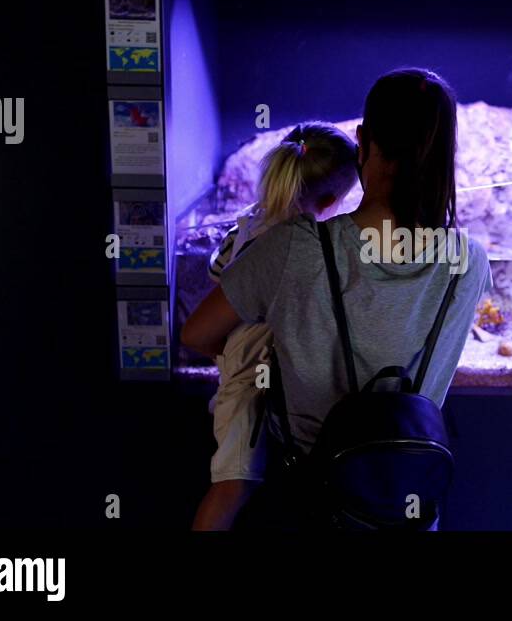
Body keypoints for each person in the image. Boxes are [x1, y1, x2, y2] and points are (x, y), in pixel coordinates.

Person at [182, 67, 492, 528]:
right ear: (445, 156)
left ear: (364, 143)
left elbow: (197, 333)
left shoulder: (293, 247)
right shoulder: (470, 261)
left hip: (315, 499)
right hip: (407, 499)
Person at [190, 122, 358, 530]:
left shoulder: (248, 222)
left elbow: (217, 276)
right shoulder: (297, 242)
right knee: (233, 484)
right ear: (334, 199)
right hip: (248, 386)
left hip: (250, 373)